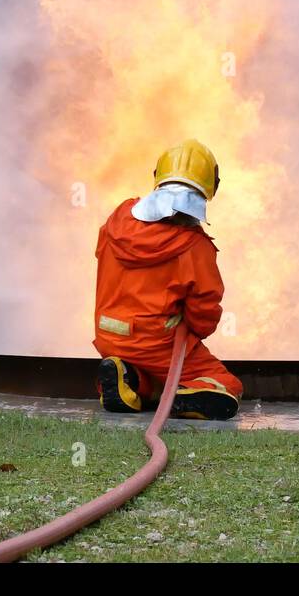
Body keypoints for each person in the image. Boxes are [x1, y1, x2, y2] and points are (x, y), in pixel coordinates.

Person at [92, 139, 242, 419]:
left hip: (108, 336)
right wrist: (191, 327)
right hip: (158, 344)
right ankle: (187, 395)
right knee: (226, 384)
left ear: (157, 177)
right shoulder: (195, 247)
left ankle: (128, 377)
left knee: (146, 378)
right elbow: (204, 312)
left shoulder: (118, 220)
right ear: (211, 188)